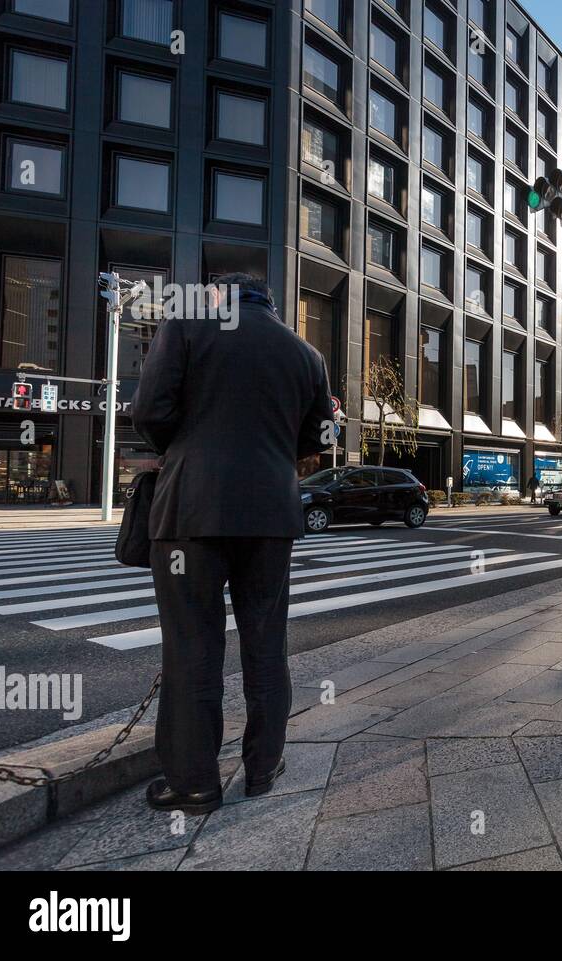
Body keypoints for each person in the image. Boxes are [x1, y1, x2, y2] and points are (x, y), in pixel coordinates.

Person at [132, 273, 332, 814]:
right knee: (267, 643)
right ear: (269, 303)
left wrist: (186, 447)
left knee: (191, 644)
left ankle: (194, 782)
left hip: (191, 509)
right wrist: (273, 452)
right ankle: (263, 767)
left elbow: (149, 410)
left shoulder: (188, 326)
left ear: (218, 296)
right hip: (271, 514)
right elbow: (319, 435)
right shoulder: (307, 354)